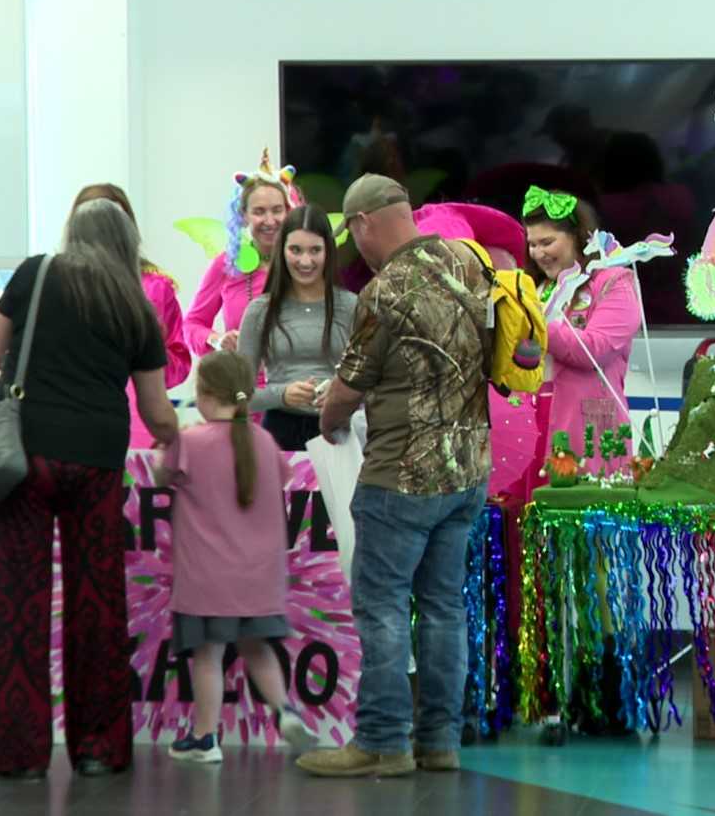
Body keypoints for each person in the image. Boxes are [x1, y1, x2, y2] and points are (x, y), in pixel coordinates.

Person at [0, 198, 179, 779]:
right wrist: (177, 439)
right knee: (97, 603)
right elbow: (155, 408)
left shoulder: (37, 272)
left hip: (25, 454)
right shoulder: (135, 304)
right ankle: (98, 747)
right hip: (96, 461)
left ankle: (21, 754)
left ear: (74, 232)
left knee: (20, 602)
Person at [297, 174, 491, 778]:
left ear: (361, 225)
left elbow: (346, 393)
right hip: (467, 471)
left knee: (381, 607)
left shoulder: (385, 292)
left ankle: (381, 742)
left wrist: (325, 414)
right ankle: (439, 742)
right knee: (442, 609)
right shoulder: (467, 267)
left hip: (400, 476)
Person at [155, 350, 315, 762]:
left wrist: (165, 445)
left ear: (205, 395)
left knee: (208, 657)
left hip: (207, 579)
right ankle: (285, 709)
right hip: (258, 578)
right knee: (257, 649)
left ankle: (205, 738)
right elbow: (283, 479)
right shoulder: (263, 441)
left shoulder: (189, 442)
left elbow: (161, 476)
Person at [523, 185, 640, 479]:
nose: (538, 253)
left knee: (577, 512)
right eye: (532, 244)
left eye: (547, 242)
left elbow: (595, 349)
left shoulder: (614, 282)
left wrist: (534, 322)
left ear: (577, 237)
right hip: (528, 420)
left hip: (582, 424)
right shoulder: (531, 287)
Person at [71, 184, 192, 449]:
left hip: (140, 422)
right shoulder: (62, 283)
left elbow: (180, 361)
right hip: (74, 423)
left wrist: (152, 355)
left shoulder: (156, 287)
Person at [237, 205, 357, 451]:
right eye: (295, 250)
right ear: (281, 251)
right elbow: (239, 396)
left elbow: (374, 385)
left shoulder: (351, 306)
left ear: (328, 251)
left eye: (315, 250)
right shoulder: (259, 311)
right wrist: (281, 395)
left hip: (339, 435)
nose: (305, 261)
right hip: (279, 434)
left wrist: (341, 393)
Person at [185, 153, 303, 354]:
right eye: (259, 211)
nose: (269, 220)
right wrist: (218, 340)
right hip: (243, 381)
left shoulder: (305, 263)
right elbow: (192, 324)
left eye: (277, 210)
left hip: (299, 381)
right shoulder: (227, 263)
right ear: (244, 216)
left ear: (288, 212)